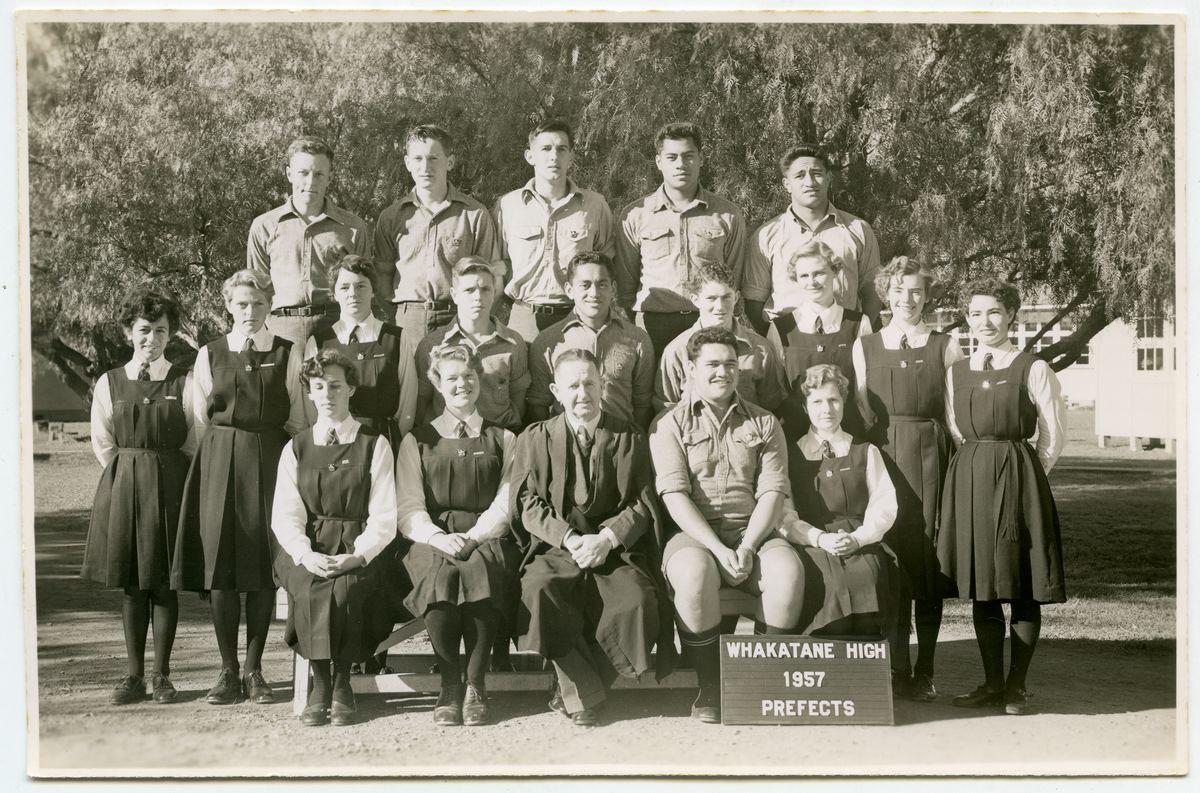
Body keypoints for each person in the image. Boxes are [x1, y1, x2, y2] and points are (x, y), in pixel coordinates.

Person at [509, 348, 674, 726]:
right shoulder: (535, 438)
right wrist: (568, 538)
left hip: (614, 550)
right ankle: (585, 692)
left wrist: (607, 539)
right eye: (573, 386)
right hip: (556, 546)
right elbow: (527, 502)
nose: (582, 393)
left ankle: (576, 689)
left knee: (636, 599)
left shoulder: (628, 436)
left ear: (603, 385)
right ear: (555, 391)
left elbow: (643, 501)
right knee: (538, 589)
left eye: (590, 383)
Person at [650, 327, 804, 723]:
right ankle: (711, 687)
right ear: (691, 369)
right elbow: (674, 496)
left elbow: (773, 490)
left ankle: (762, 682)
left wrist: (749, 546)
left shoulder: (765, 422)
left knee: (787, 573)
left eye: (731, 364)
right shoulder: (669, 424)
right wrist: (719, 550)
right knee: (694, 572)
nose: (723, 372)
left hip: (752, 531)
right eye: (713, 364)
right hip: (694, 535)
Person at [173, 270, 304, 706]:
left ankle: (255, 670)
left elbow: (298, 414)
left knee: (263, 567)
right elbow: (198, 420)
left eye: (259, 303)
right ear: (228, 305)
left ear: (270, 305)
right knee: (222, 570)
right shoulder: (209, 353)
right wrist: (216, 461)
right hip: (220, 459)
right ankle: (227, 671)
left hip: (270, 458)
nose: (250, 312)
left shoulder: (287, 352)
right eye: (242, 304)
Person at [938, 278, 1066, 716]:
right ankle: (992, 683)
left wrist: (1027, 476)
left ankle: (1017, 687)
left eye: (993, 311)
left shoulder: (1032, 367)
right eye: (975, 313)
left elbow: (1052, 433)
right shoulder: (956, 372)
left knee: (1024, 585)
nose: (984, 321)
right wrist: (980, 466)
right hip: (973, 475)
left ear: (1011, 314)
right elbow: (956, 429)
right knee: (985, 587)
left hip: (1019, 477)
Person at [851, 256, 963, 700]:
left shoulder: (944, 345)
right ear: (886, 294)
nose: (907, 299)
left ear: (927, 294)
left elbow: (954, 414)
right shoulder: (867, 345)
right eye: (899, 291)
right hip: (885, 457)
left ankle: (926, 669)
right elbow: (861, 405)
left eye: (916, 290)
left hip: (932, 457)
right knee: (891, 562)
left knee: (926, 564)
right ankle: (896, 668)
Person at [396, 344, 523, 727]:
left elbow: (507, 501)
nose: (461, 384)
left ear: (479, 381)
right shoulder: (416, 440)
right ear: (437, 383)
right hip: (432, 538)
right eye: (451, 377)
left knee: (481, 573)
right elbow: (408, 505)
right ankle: (449, 684)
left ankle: (475, 684)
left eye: (468, 376)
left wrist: (477, 535)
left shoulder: (504, 438)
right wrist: (437, 537)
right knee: (440, 577)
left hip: (488, 537)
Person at [271, 349, 398, 727]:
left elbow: (385, 513)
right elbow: (286, 513)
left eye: (336, 386)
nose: (328, 393)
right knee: (311, 586)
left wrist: (358, 555)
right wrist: (304, 554)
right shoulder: (296, 446)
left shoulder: (374, 444)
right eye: (319, 386)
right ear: (309, 392)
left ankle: (343, 682)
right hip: (309, 544)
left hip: (360, 542)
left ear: (351, 389)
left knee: (346, 588)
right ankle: (320, 683)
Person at [83, 289, 195, 705]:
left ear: (172, 334)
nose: (152, 339)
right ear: (129, 332)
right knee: (133, 585)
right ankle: (133, 676)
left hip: (170, 487)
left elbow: (194, 439)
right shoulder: (108, 382)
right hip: (125, 487)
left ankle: (162, 676)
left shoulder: (185, 382)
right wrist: (131, 475)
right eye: (144, 330)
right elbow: (103, 444)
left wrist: (165, 475)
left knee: (165, 585)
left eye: (161, 330)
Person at [777, 364, 898, 640]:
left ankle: (868, 671)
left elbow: (884, 504)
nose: (827, 409)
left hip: (860, 541)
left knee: (868, 575)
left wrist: (858, 538)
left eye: (834, 400)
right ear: (805, 408)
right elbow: (785, 515)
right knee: (825, 583)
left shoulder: (865, 451)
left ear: (844, 403)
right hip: (812, 544)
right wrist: (819, 538)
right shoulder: (791, 454)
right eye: (817, 402)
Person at [616, 121, 747, 357]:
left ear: (701, 159)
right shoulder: (635, 215)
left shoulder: (727, 215)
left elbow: (733, 276)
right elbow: (626, 285)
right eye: (672, 157)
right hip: (653, 325)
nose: (681, 164)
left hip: (709, 320)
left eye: (688, 156)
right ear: (659, 162)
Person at [373, 123, 502, 339]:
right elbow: (382, 279)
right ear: (407, 163)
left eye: (433, 158)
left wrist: (475, 320)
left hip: (458, 317)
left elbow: (494, 278)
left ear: (449, 162)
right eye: (418, 159)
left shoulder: (474, 214)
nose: (425, 167)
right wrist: (400, 315)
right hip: (407, 320)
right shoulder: (391, 217)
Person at [493, 118, 617, 341]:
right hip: (524, 317)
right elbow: (497, 265)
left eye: (562, 149)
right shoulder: (508, 206)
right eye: (545, 149)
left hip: (578, 315)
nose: (554, 156)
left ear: (571, 156)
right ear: (530, 156)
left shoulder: (594, 205)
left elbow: (607, 263)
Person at [741, 143, 882, 335]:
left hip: (845, 340)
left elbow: (872, 292)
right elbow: (753, 300)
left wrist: (858, 335)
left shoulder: (858, 230)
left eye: (817, 173)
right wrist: (778, 341)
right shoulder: (767, 235)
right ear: (786, 184)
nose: (810, 182)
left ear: (828, 178)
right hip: (787, 341)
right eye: (799, 175)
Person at [247, 137, 372, 345]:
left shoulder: (353, 227)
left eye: (319, 174)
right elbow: (257, 288)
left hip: (335, 326)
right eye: (303, 173)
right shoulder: (264, 226)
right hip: (280, 329)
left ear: (330, 177)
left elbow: (363, 286)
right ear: (289, 174)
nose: (311, 182)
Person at [301, 253, 418, 449]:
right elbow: (310, 404)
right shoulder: (319, 341)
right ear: (334, 293)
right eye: (345, 287)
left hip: (384, 440)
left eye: (361, 286)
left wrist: (395, 441)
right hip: (333, 441)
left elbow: (408, 400)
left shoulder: (396, 338)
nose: (353, 293)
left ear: (373, 291)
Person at [527, 251, 655, 429]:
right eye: (585, 285)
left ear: (613, 289)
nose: (594, 293)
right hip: (568, 444)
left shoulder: (637, 339)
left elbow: (643, 403)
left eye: (602, 284)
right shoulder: (547, 342)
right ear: (569, 290)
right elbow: (538, 403)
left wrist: (630, 442)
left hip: (620, 442)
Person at [766, 238, 873, 441]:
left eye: (819, 273)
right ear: (795, 279)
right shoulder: (780, 328)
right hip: (795, 434)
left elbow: (864, 388)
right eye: (804, 275)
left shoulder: (859, 324)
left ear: (835, 272)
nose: (812, 282)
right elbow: (776, 388)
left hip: (848, 433)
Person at [416, 257, 531, 432]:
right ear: (454, 295)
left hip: (499, 441)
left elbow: (518, 402)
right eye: (469, 290)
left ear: (494, 292)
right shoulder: (433, 345)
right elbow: (421, 403)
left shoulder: (513, 343)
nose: (478, 297)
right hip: (446, 441)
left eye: (485, 289)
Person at [654, 262, 787, 414]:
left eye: (726, 297)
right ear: (695, 299)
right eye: (711, 298)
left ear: (736, 297)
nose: (720, 306)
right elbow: (666, 408)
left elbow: (771, 406)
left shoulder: (760, 348)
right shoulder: (677, 350)